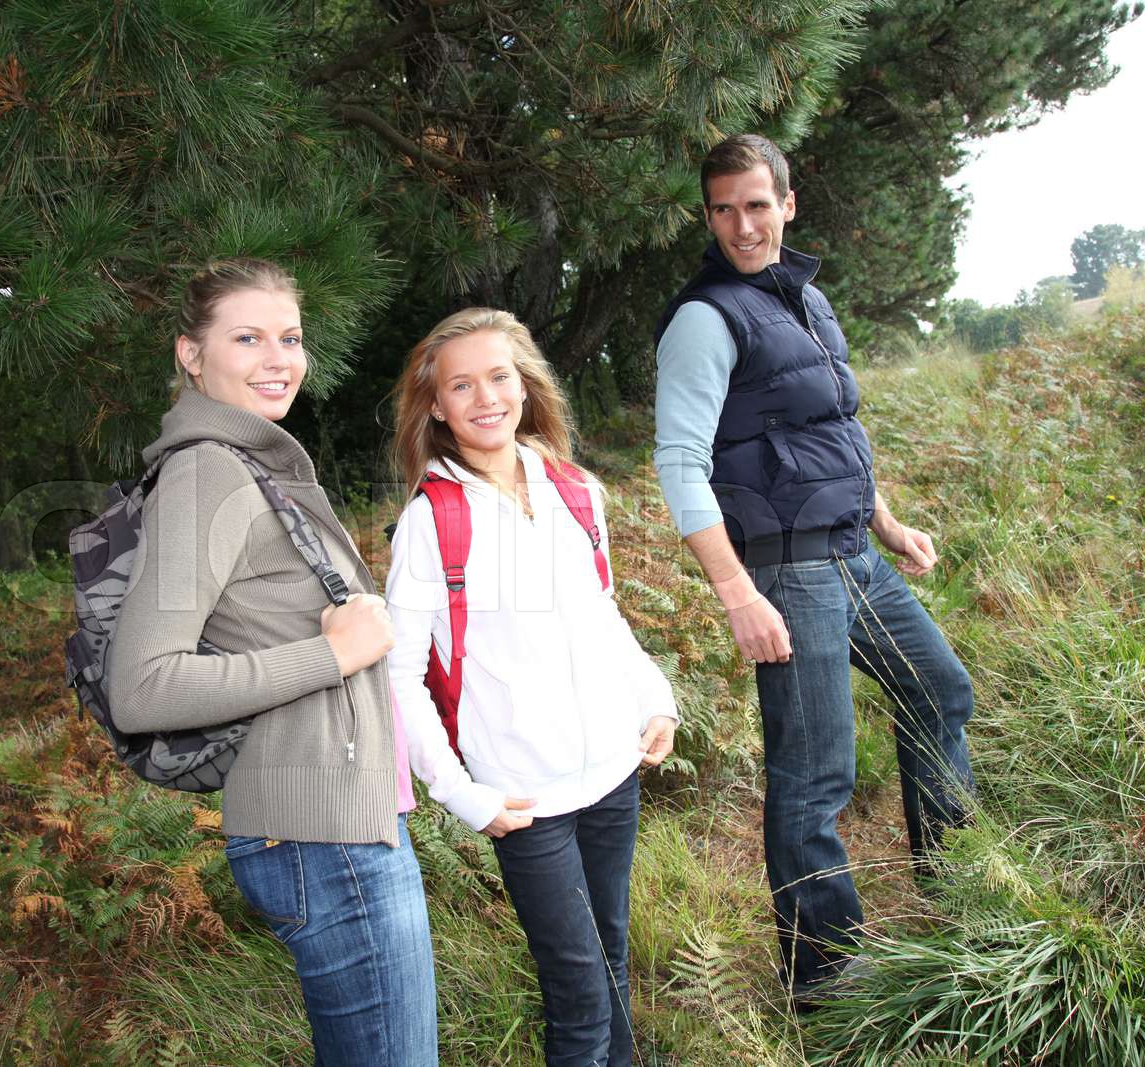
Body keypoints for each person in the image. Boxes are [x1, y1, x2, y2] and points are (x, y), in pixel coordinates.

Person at [651, 134, 976, 1009]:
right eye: (723, 209)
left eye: (757, 205)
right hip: (787, 572)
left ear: (787, 204)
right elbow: (680, 465)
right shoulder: (705, 319)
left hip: (854, 554)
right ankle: (828, 986)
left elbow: (834, 428)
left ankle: (960, 890)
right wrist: (736, 591)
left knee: (941, 692)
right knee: (814, 778)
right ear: (709, 215)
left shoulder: (805, 300)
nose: (741, 225)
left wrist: (888, 520)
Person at [106, 259, 437, 1064]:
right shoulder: (207, 471)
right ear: (191, 354)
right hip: (321, 838)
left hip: (339, 827)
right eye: (247, 337)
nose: (278, 358)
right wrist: (330, 652)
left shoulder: (251, 463)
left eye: (289, 337)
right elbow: (141, 687)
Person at [385, 308, 678, 1067]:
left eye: (498, 376)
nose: (485, 398)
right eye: (461, 384)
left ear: (525, 383)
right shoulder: (431, 522)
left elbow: (602, 616)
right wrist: (458, 791)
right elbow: (399, 674)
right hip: (524, 801)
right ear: (437, 405)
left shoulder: (575, 489)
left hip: (614, 772)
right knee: (577, 992)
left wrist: (654, 698)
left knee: (611, 951)